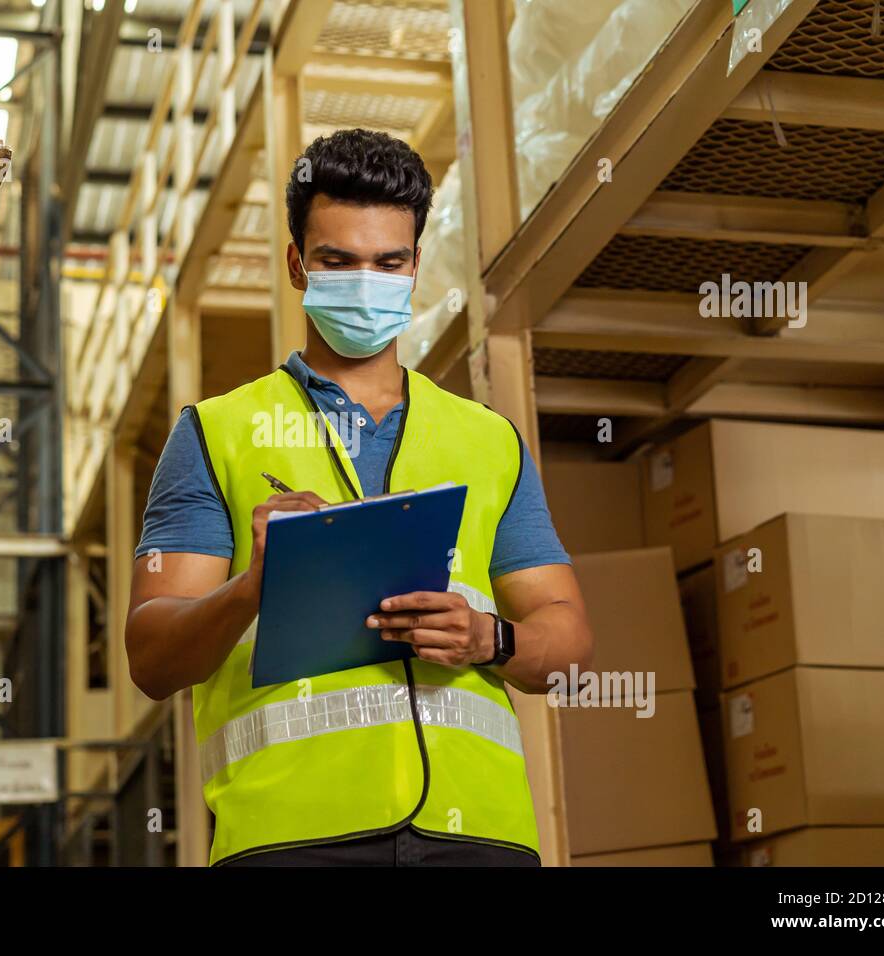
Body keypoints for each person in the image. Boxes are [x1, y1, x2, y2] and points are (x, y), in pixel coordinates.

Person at [126, 128, 593, 867]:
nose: (366, 282)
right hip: (288, 837)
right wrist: (253, 587)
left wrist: (489, 638)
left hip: (478, 837)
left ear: (415, 268)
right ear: (297, 265)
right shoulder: (217, 433)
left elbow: (565, 643)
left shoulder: (489, 440)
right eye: (338, 261)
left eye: (389, 262)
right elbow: (151, 656)